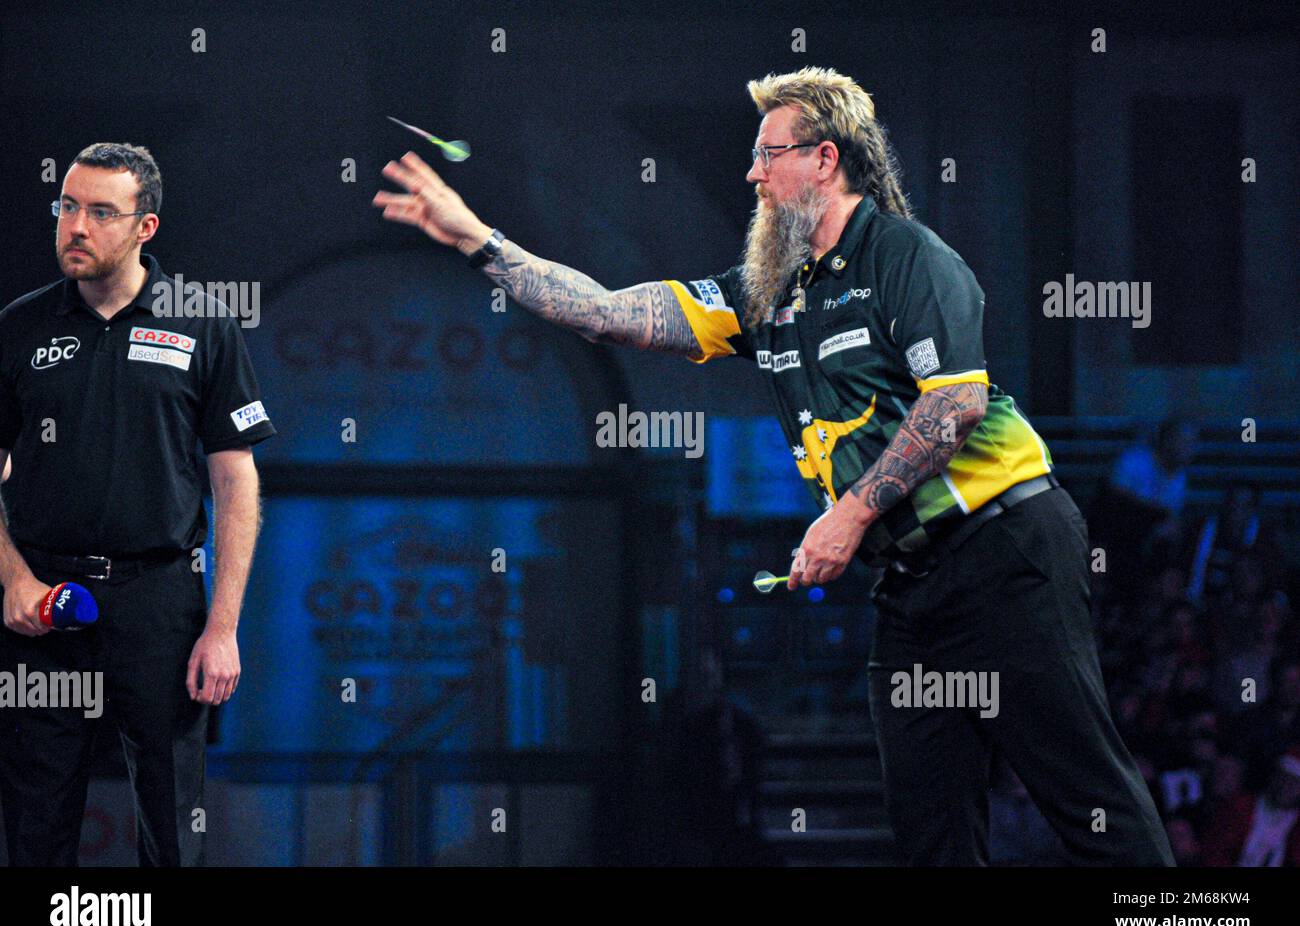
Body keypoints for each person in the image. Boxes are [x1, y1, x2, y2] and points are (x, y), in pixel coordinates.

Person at [373, 66, 1173, 866]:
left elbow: (954, 407)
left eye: (768, 154)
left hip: (1008, 553)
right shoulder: (767, 293)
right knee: (930, 829)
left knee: (1085, 793)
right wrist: (480, 240)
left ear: (825, 159)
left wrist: (850, 515)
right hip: (910, 584)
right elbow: (607, 314)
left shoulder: (907, 257)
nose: (751, 174)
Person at [0, 143, 274, 866]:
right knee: (35, 824)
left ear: (144, 228)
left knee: (175, 826)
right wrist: (14, 580)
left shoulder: (203, 324)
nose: (75, 227)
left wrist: (223, 626)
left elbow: (235, 481)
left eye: (99, 212)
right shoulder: (20, 327)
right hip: (45, 602)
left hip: (159, 601)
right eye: (66, 207)